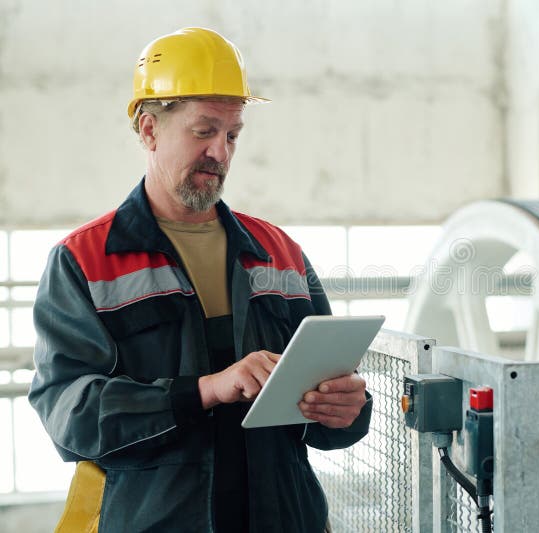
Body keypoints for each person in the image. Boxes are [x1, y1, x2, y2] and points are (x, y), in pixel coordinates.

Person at [28, 27, 372, 532]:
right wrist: (206, 390)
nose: (220, 152)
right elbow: (70, 416)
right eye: (203, 130)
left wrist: (348, 411)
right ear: (148, 129)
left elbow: (324, 399)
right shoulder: (84, 261)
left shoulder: (280, 253)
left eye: (232, 134)